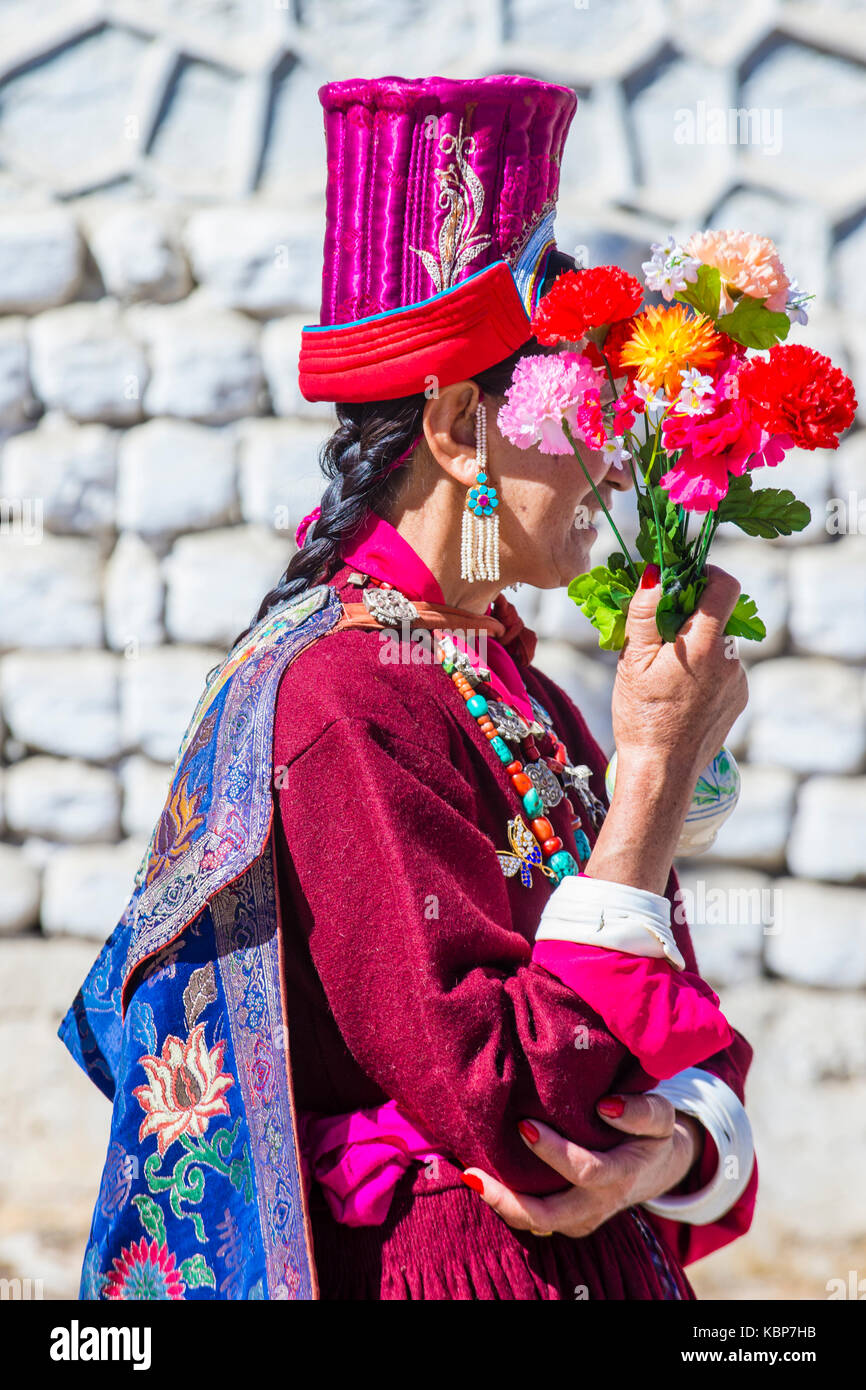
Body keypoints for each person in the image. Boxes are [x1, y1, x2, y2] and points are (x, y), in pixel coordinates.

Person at [61, 74, 755, 1302]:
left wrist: (672, 1150)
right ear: (455, 425)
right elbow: (505, 1101)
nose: (606, 451)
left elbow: (671, 1032)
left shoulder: (496, 675)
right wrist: (649, 777)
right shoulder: (341, 697)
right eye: (574, 406)